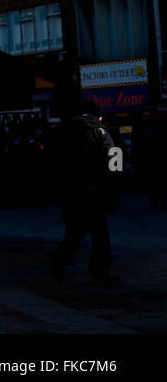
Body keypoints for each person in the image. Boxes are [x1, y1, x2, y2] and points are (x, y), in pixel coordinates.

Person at [51, 104, 120, 286]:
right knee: (100, 235)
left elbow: (51, 160)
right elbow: (114, 156)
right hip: (92, 192)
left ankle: (58, 264)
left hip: (68, 192)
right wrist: (114, 183)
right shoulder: (99, 131)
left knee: (74, 232)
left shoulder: (61, 130)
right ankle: (100, 272)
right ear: (99, 116)